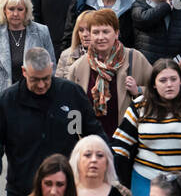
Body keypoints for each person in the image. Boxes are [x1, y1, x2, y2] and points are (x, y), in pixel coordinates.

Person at [0, 47, 104, 196]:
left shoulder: (71, 93)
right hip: (23, 192)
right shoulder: (5, 102)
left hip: (66, 189)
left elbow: (93, 134)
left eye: (46, 78)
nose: (41, 85)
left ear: (51, 68)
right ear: (24, 72)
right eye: (35, 79)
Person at [110, 59, 181, 196]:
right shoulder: (140, 106)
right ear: (154, 84)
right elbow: (120, 146)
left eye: (173, 79)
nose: (169, 84)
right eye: (163, 80)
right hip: (146, 180)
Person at [63, 7, 152, 138]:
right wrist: (76, 139)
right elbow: (68, 108)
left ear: (116, 33)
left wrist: (138, 90)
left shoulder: (135, 58)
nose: (100, 37)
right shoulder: (78, 67)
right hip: (92, 145)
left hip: (126, 143)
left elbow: (159, 91)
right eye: (96, 32)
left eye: (106, 32)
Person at [0, 0, 54, 112]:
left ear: (26, 11)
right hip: (3, 97)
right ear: (4, 10)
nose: (15, 14)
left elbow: (52, 67)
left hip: (35, 96)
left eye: (20, 9)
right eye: (11, 9)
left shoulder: (42, 31)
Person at [55, 8, 94, 79]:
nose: (84, 34)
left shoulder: (108, 55)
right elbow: (58, 87)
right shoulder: (65, 55)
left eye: (89, 29)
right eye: (81, 30)